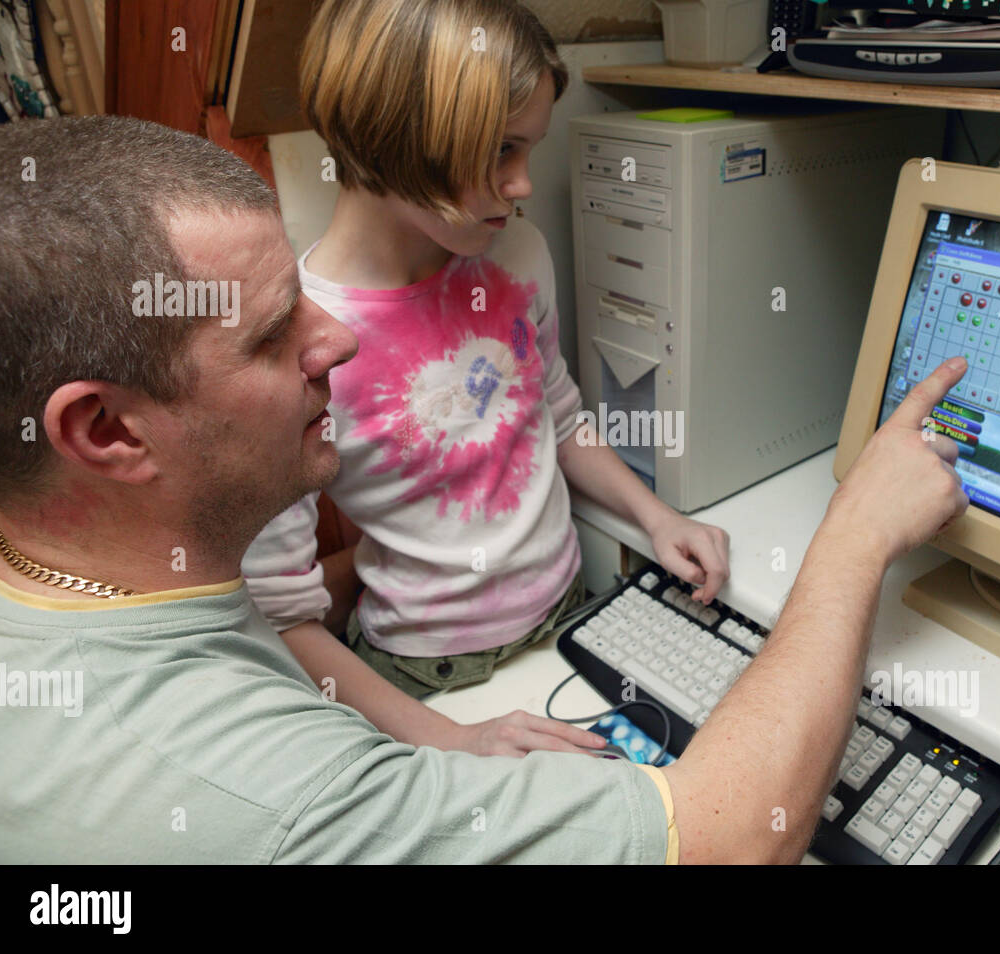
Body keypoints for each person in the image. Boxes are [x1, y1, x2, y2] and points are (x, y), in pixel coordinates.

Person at [0, 114, 968, 863]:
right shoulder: (266, 794)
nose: (341, 340)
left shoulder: (43, 564)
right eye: (277, 333)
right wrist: (853, 537)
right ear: (103, 431)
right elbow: (734, 835)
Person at [241, 0, 732, 734]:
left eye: (528, 149)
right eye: (502, 150)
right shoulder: (303, 338)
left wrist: (657, 519)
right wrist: (456, 742)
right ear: (400, 138)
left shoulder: (516, 255)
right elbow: (280, 616)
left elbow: (555, 410)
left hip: (568, 619)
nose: (525, 183)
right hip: (420, 682)